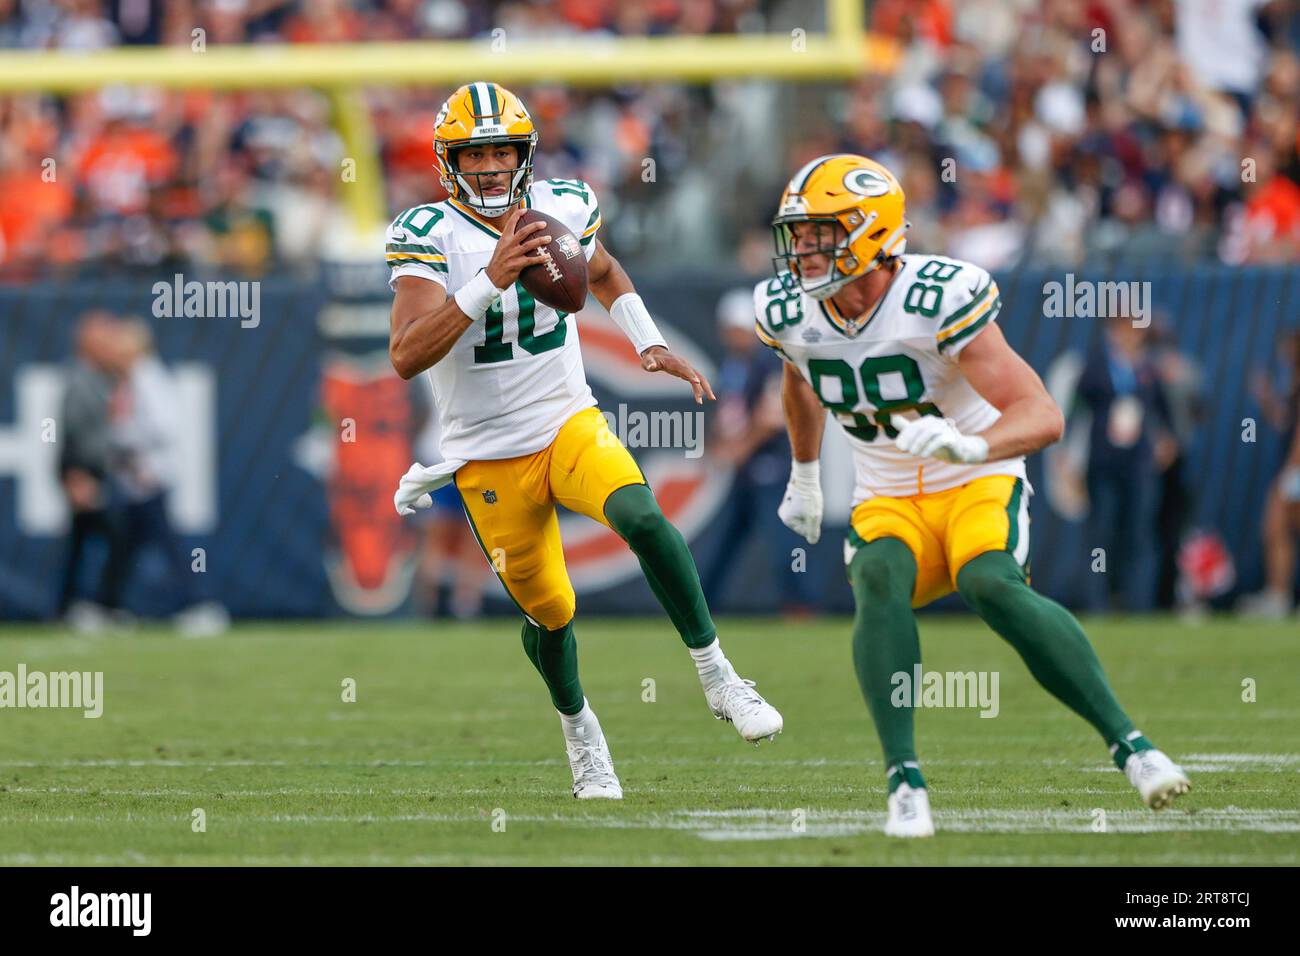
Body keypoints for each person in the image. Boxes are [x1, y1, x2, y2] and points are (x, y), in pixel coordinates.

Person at [758, 153, 1189, 837]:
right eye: (799, 235)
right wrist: (805, 474)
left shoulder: (936, 296)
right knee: (876, 576)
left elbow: (1042, 413)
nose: (804, 250)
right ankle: (904, 782)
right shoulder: (786, 308)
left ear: (871, 234)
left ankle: (1132, 748)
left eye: (821, 234)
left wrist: (974, 447)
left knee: (989, 580)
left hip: (975, 477)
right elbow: (799, 375)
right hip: (889, 490)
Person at [387, 82, 782, 800]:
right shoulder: (428, 233)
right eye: (476, 154)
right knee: (551, 614)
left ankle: (719, 675)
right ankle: (580, 731)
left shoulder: (564, 205)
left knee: (640, 515)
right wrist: (487, 281)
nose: (491, 166)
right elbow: (408, 352)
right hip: (485, 454)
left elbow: (598, 271)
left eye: (503, 150)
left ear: (525, 154)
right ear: (450, 162)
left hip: (568, 418)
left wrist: (648, 342)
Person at [700, 288, 814, 615]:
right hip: (746, 469)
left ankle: (801, 603)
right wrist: (720, 447)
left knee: (784, 542)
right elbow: (729, 415)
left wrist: (741, 448)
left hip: (770, 464)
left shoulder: (770, 360)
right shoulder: (734, 365)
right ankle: (702, 605)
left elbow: (771, 416)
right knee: (725, 543)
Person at [1074, 315, 1176, 612]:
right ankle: (1098, 602)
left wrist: (1167, 443)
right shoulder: (1095, 365)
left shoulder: (1148, 368)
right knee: (1102, 533)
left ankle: (1138, 603)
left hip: (1139, 464)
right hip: (1104, 462)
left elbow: (1164, 412)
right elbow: (1076, 409)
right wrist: (1068, 456)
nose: (1131, 336)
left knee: (1139, 533)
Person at [57, 310, 128, 628]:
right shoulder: (80, 379)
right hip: (83, 472)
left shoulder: (103, 378)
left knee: (80, 541)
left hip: (93, 470)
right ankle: (100, 605)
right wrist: (74, 476)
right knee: (114, 535)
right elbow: (68, 432)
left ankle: (67, 606)